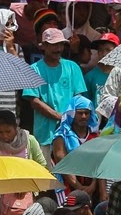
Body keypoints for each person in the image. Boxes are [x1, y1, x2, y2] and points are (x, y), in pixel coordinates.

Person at [24, 29, 87, 161]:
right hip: (44, 133)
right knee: (46, 174)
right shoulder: (33, 69)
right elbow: (34, 101)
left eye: (61, 44)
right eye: (54, 45)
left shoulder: (72, 67)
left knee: (70, 173)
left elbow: (79, 99)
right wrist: (59, 116)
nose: (58, 48)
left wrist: (68, 119)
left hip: (71, 131)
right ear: (44, 46)